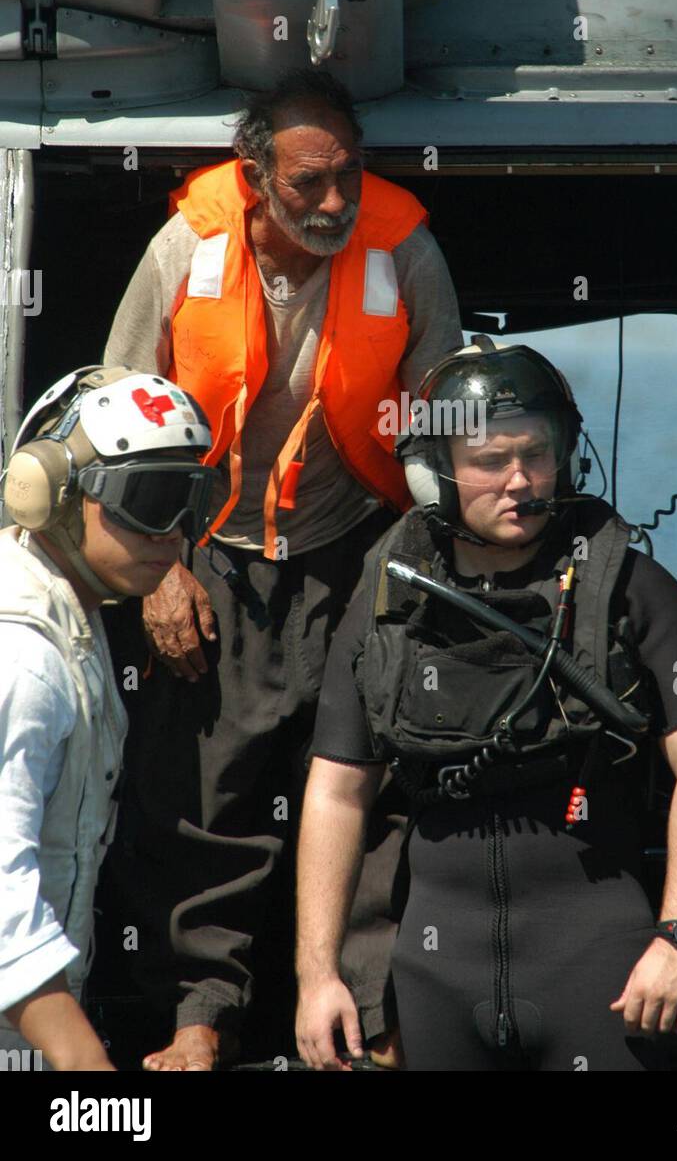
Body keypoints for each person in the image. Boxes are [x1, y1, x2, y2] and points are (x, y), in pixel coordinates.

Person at [101, 67, 462, 1070]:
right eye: (308, 184)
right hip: (209, 545)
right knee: (199, 787)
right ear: (253, 178)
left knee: (365, 785)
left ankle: (365, 1024)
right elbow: (118, 420)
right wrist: (159, 572)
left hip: (357, 548)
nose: (335, 203)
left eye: (347, 178)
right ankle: (197, 1021)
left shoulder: (403, 250)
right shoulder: (185, 249)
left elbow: (442, 428)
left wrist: (435, 572)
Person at [296, 337, 677, 1071]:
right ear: (434, 474)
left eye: (535, 454)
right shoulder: (386, 602)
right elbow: (337, 790)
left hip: (605, 969)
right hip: (437, 974)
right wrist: (319, 976)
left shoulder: (626, 586)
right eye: (488, 461)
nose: (520, 480)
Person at [0, 366, 215, 1071]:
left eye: (192, 502)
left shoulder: (77, 628)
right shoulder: (24, 659)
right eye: (147, 500)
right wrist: (86, 1072)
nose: (173, 535)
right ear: (47, 493)